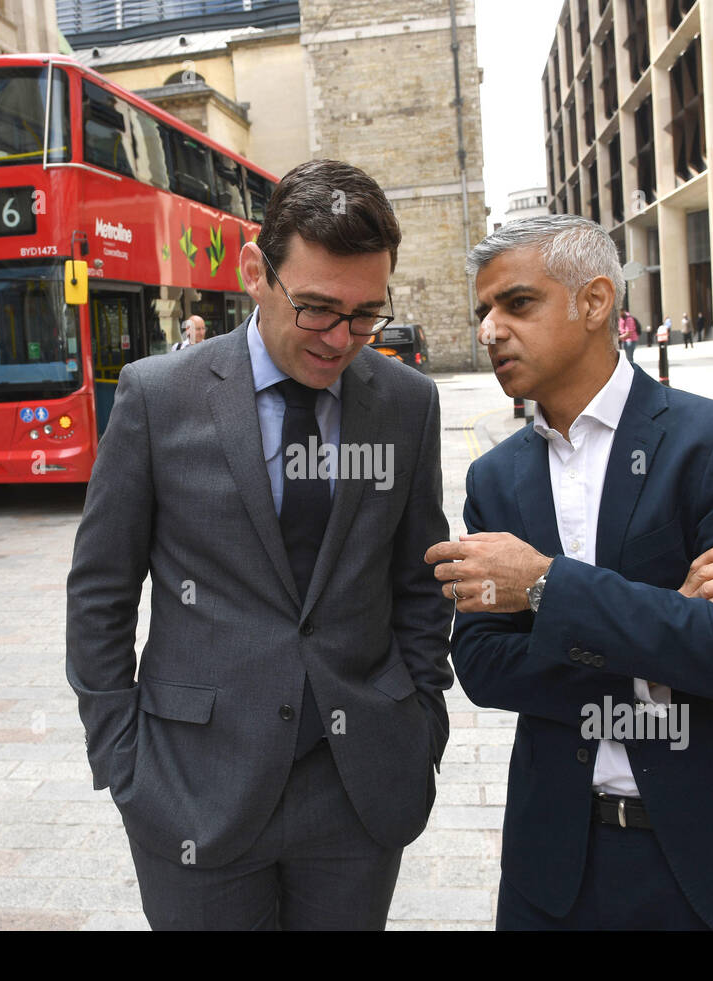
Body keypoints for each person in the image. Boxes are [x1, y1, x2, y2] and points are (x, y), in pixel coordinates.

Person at [425, 214, 713, 930]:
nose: (489, 330)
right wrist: (670, 620)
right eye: (483, 311)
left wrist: (547, 588)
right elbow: (483, 665)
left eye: (517, 303)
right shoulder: (496, 480)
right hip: (560, 861)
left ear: (595, 301)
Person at [66, 159, 453, 930]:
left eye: (365, 314)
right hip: (191, 788)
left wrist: (420, 724)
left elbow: (418, 582)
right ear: (254, 271)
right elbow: (100, 593)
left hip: (357, 787)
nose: (341, 338)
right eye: (316, 308)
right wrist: (122, 758)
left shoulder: (407, 404)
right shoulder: (157, 396)